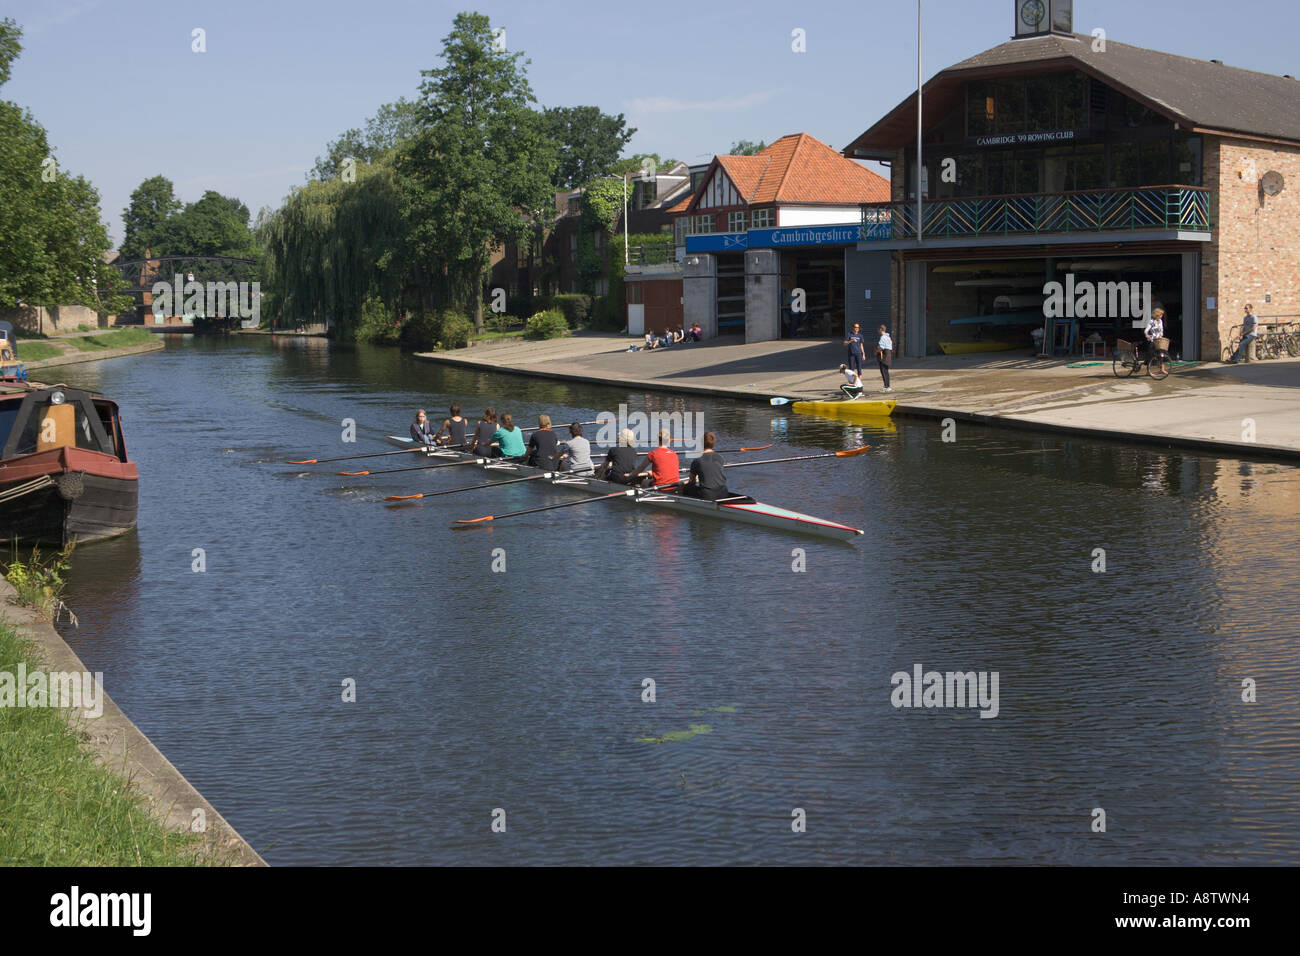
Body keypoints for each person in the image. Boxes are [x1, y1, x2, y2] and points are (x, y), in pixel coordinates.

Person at [680, 431, 730, 500]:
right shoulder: (720, 458)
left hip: (708, 495)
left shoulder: (697, 460)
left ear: (702, 443)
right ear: (714, 443)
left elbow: (692, 481)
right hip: (724, 493)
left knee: (686, 487)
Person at [875, 325, 894, 392]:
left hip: (884, 355)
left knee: (883, 371)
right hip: (888, 354)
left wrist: (876, 352)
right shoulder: (888, 337)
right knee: (886, 371)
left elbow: (881, 347)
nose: (878, 331)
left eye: (878, 329)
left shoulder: (883, 337)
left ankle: (886, 387)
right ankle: (887, 386)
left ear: (881, 330)